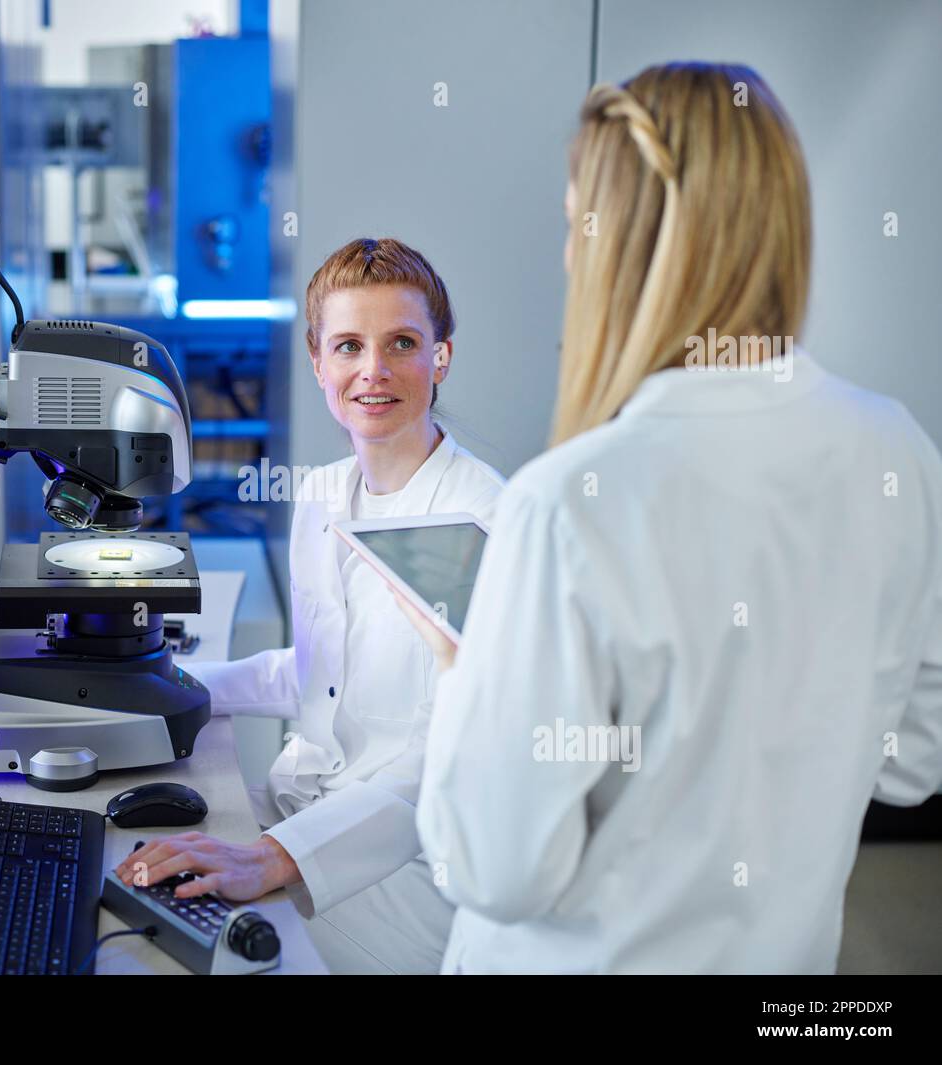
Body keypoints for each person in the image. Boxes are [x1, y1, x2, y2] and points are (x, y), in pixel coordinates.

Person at [401, 62, 942, 973]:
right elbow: (912, 761)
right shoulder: (898, 450)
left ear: (618, 245)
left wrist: (467, 679)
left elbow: (494, 868)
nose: (572, 253)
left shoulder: (569, 500)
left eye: (578, 223)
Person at [114, 237, 504, 974]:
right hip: (303, 810)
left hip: (399, 871)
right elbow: (320, 672)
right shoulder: (324, 493)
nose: (373, 371)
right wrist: (166, 686)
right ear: (318, 360)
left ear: (441, 357)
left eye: (402, 344)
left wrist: (274, 857)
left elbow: (454, 750)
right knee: (131, 877)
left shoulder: (482, 518)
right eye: (349, 345)